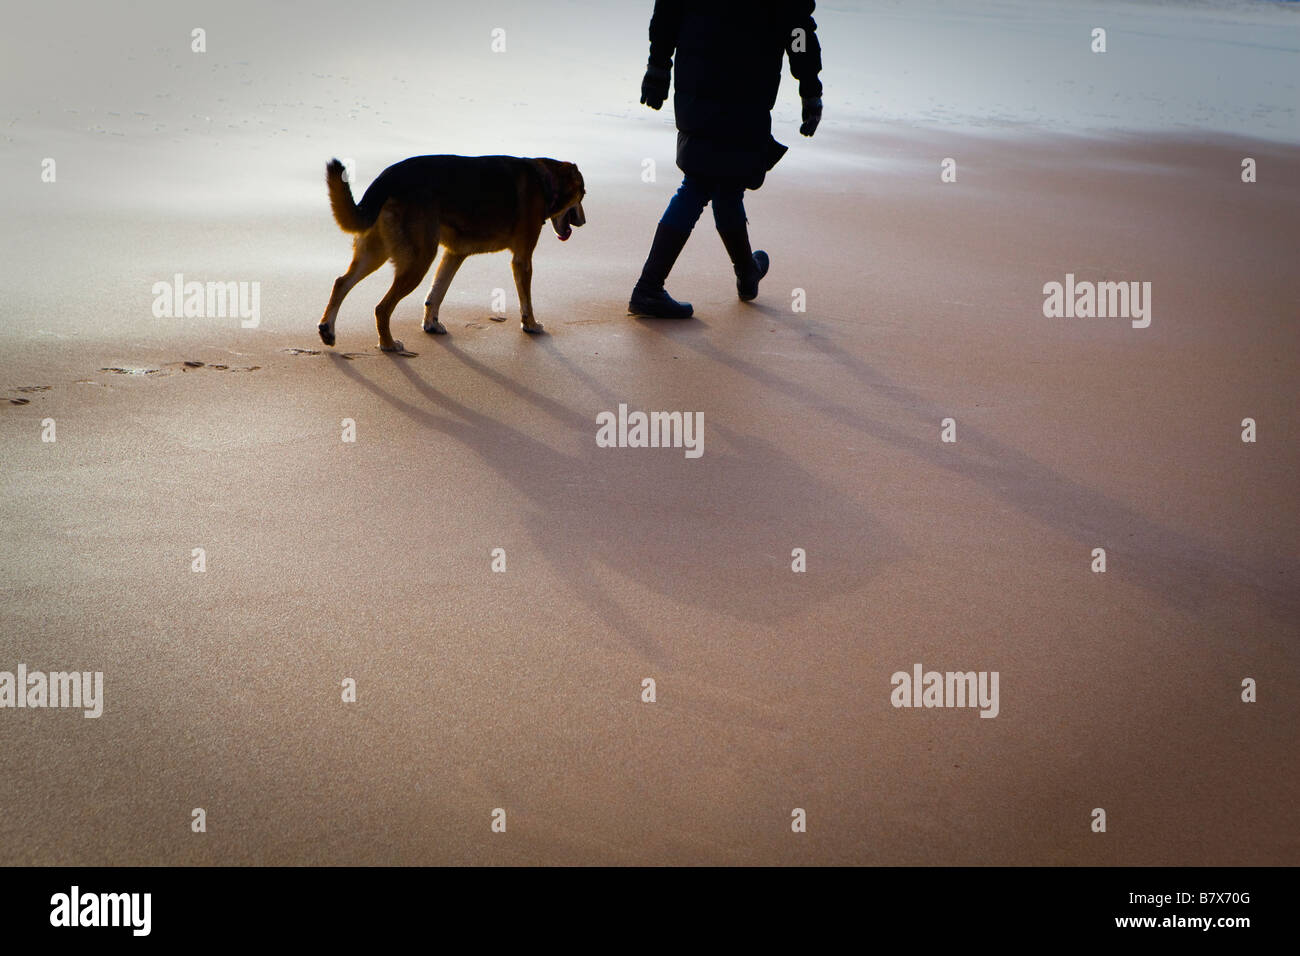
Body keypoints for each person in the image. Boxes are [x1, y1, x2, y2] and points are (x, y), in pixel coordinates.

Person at [629, 0, 824, 319]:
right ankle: (648, 288)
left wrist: (658, 65)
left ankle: (747, 272)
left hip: (698, 75)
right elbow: (797, 28)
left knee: (723, 179)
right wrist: (810, 88)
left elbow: (668, 8)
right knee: (703, 181)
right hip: (748, 80)